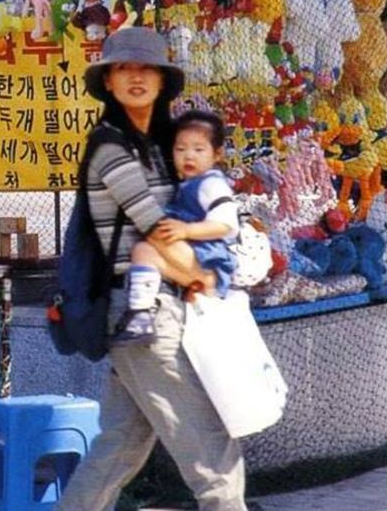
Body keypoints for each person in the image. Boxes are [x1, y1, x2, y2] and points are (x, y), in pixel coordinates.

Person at [56, 27, 247, 511]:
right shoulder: (110, 146)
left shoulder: (165, 146)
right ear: (110, 82)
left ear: (163, 81)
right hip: (147, 312)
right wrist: (202, 278)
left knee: (119, 446)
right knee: (212, 450)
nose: (135, 76)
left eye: (146, 68)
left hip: (154, 310)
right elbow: (158, 229)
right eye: (123, 68)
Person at [113, 109, 238, 344]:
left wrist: (186, 230)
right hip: (187, 261)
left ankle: (203, 284)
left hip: (208, 259)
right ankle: (140, 313)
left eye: (199, 149)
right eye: (180, 149)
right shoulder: (186, 185)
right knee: (143, 252)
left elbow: (227, 224)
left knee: (153, 232)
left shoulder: (212, 184)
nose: (188, 156)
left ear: (217, 153)